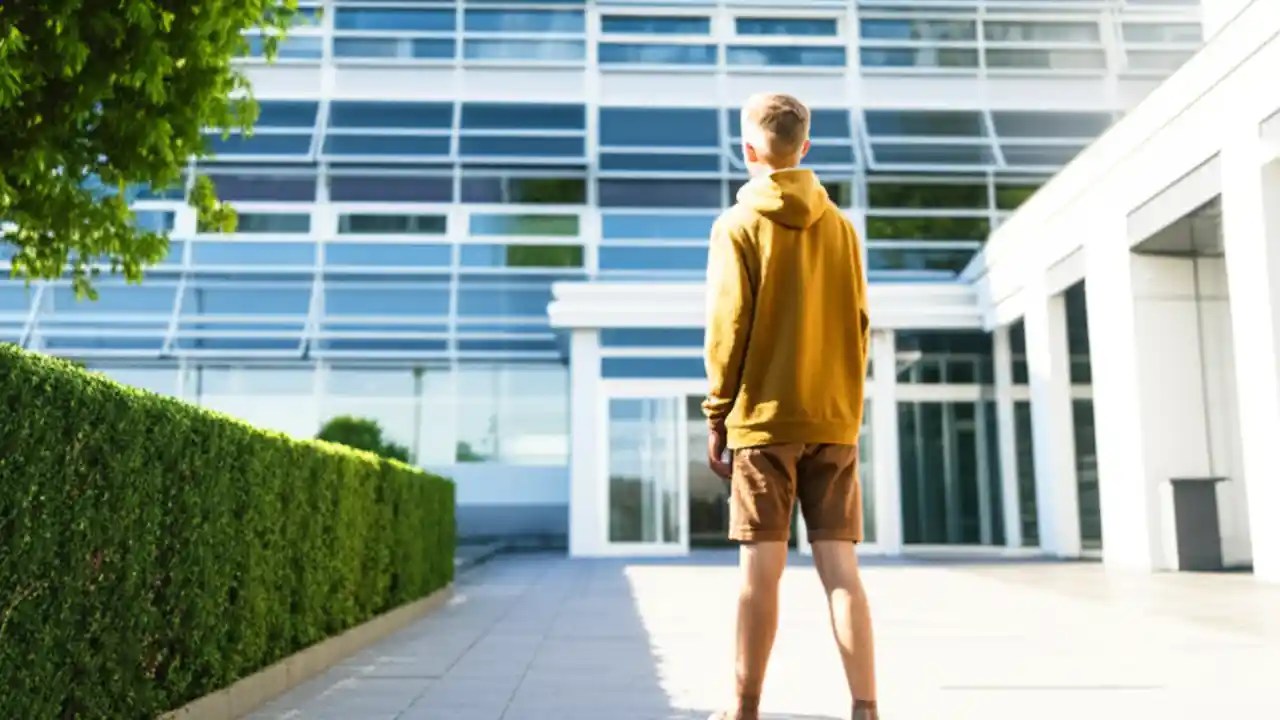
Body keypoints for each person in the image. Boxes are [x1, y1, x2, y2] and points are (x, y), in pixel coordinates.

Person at [703, 93, 877, 720]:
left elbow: (729, 328)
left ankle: (744, 709)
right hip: (833, 420)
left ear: (748, 151)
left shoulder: (737, 225)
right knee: (842, 572)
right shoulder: (842, 228)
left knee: (760, 575)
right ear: (806, 148)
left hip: (764, 423)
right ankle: (865, 706)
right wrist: (846, 411)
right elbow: (860, 324)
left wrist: (717, 414)